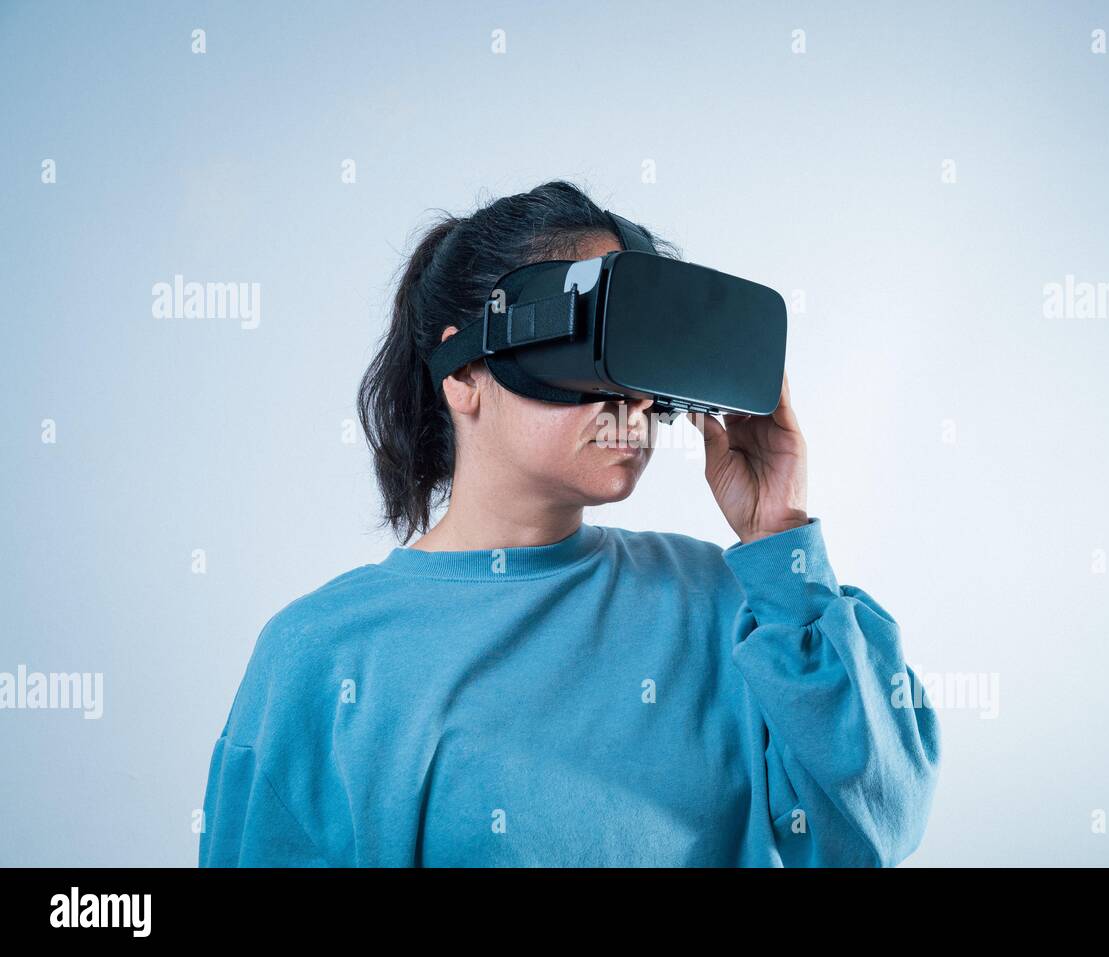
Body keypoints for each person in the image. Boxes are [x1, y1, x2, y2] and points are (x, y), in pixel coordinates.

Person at [197, 180, 940, 867]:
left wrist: (783, 543)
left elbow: (873, 828)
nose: (635, 405)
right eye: (597, 349)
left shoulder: (734, 607)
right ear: (462, 371)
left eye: (646, 366)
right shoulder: (325, 655)